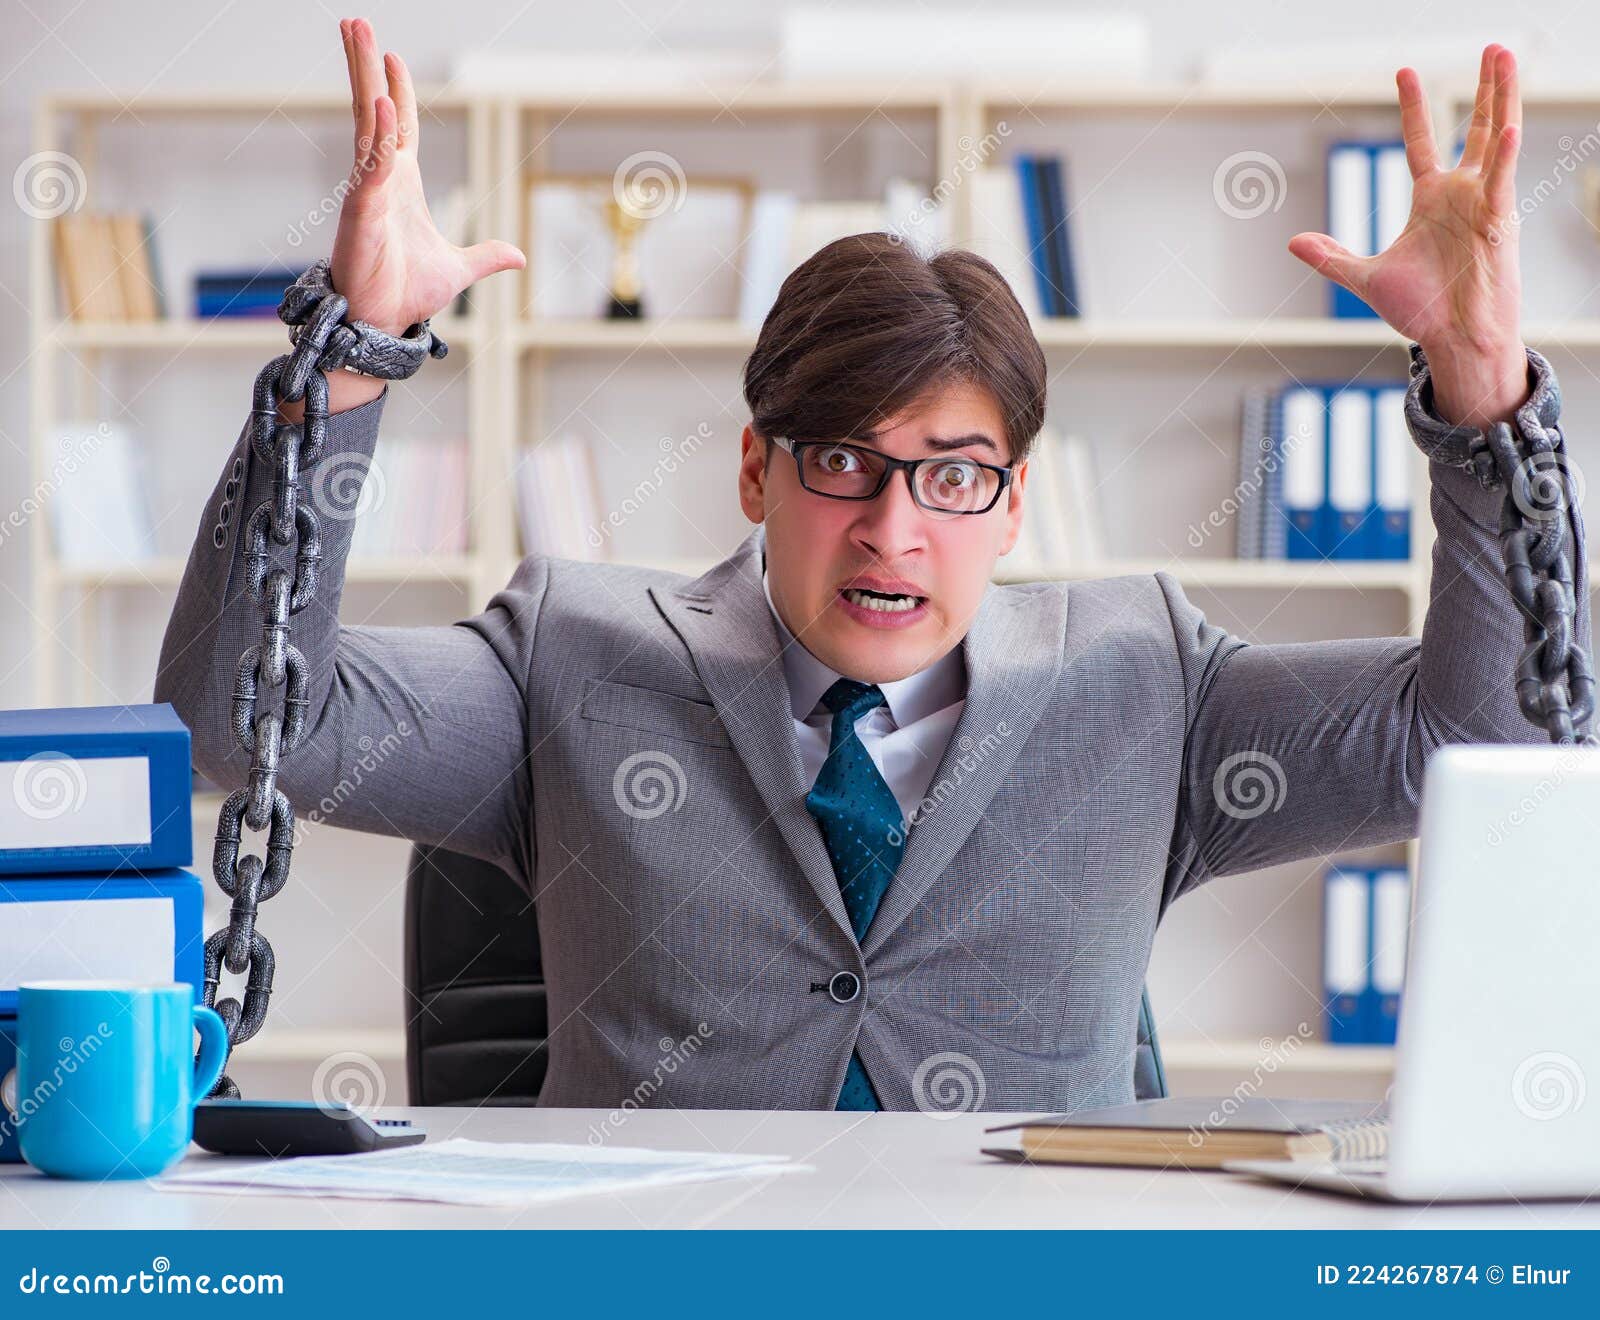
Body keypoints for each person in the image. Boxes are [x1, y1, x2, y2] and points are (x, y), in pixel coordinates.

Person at [157, 24, 1586, 1112]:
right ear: (754, 470)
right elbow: (248, 723)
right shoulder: (572, 661)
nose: (896, 530)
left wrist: (1480, 405)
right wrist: (343, 370)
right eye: (843, 462)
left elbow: (1490, 738)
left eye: (954, 476)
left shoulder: (1148, 681)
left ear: (1015, 503)